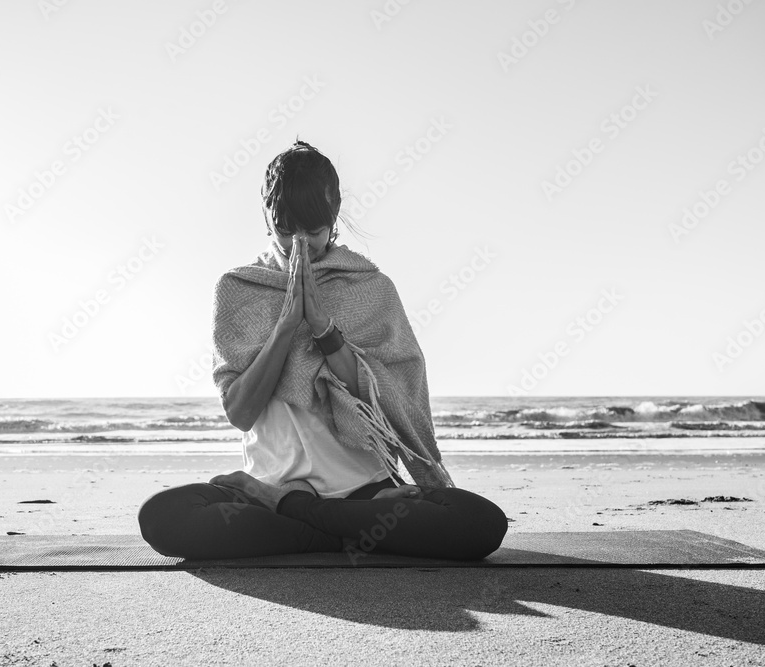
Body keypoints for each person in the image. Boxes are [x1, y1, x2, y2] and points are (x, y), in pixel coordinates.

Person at [138, 139, 508, 561]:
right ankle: (337, 529)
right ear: (266, 216)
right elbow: (240, 413)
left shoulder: (370, 287)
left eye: (313, 230)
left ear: (334, 216)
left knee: (480, 523)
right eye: (286, 230)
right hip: (268, 485)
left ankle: (301, 519)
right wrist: (285, 326)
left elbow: (392, 399)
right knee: (162, 516)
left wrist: (323, 329)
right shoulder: (238, 288)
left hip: (363, 490)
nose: (300, 243)